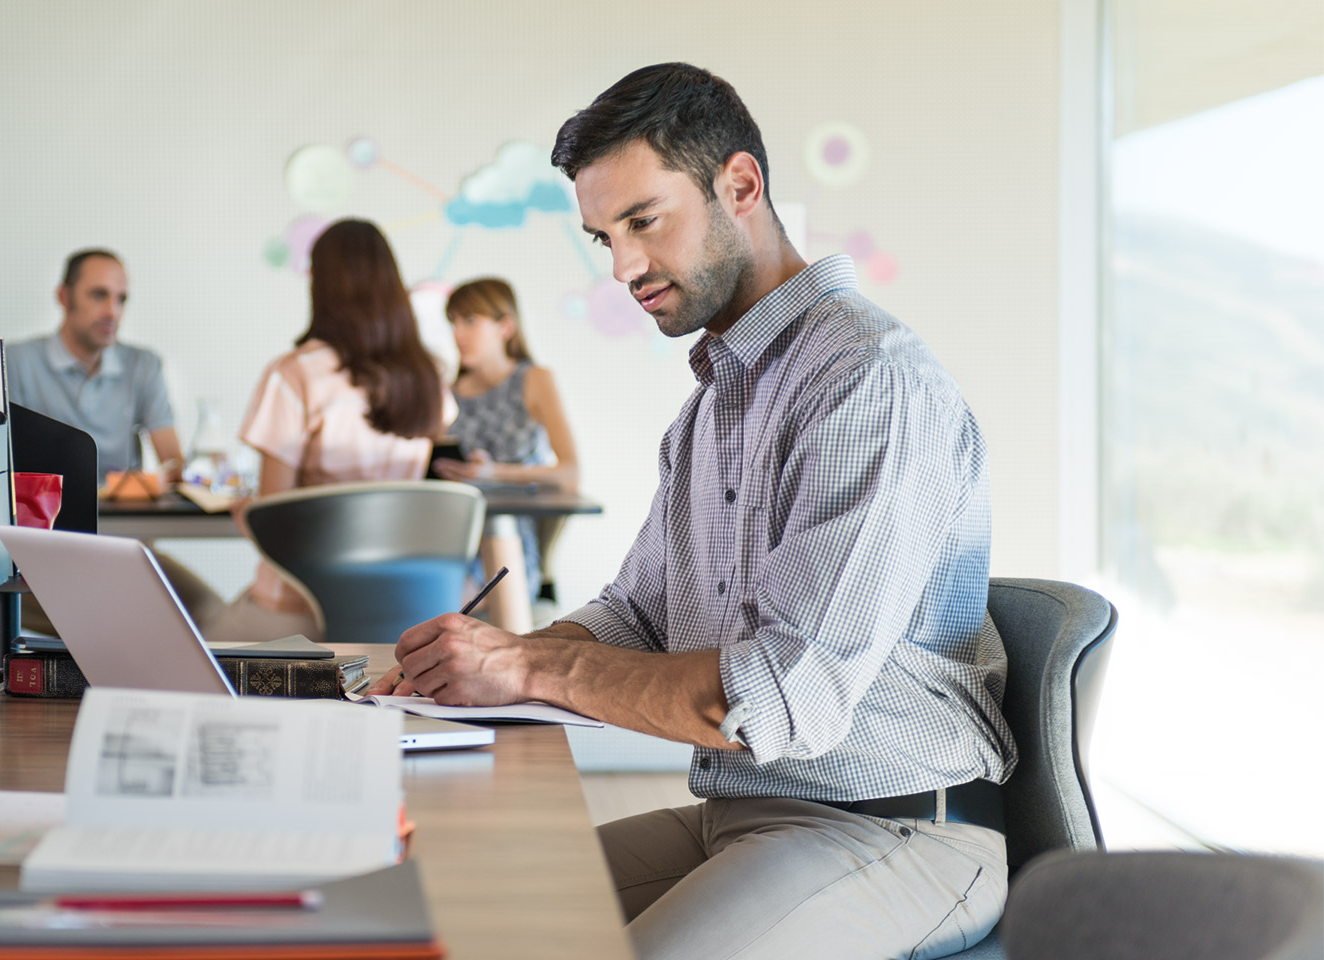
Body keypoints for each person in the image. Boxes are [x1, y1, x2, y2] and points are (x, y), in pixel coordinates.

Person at [369, 63, 1013, 960]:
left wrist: (525, 668)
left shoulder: (868, 379)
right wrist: (467, 670)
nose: (625, 266)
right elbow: (635, 617)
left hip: (893, 831)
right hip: (742, 817)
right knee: (425, 911)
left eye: (644, 221)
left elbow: (786, 698)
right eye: (604, 238)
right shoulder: (713, 405)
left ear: (739, 186)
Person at [208, 219, 453, 644]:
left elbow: (274, 516)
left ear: (319, 285)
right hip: (399, 615)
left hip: (298, 613)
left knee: (185, 629)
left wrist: (247, 511)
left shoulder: (295, 373)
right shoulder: (429, 376)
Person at [433, 278, 581, 633]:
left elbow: (570, 472)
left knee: (434, 603)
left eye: (470, 321)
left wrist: (493, 473)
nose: (458, 333)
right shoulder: (448, 391)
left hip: (509, 543)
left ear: (505, 326)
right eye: (453, 322)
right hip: (453, 539)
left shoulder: (534, 380)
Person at [5, 249, 183, 479]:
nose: (113, 312)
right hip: (49, 513)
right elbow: (1, 466)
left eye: (121, 299)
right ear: (64, 297)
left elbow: (173, 464)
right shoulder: (16, 361)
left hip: (124, 513)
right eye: (99, 295)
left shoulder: (144, 365)